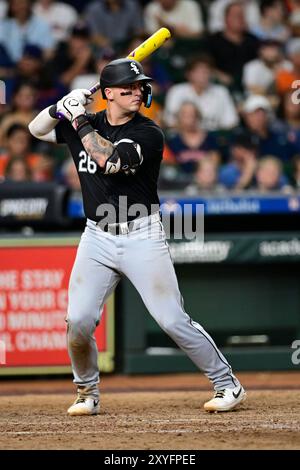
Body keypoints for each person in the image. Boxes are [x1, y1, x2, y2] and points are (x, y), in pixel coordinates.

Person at [28, 58, 246, 416]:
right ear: (108, 94)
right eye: (127, 88)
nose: (137, 92)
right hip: (96, 235)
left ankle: (227, 383)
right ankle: (87, 391)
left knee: (171, 320)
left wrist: (77, 118)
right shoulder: (90, 121)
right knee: (78, 320)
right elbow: (36, 130)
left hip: (141, 233)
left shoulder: (149, 132)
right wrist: (59, 106)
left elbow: (109, 160)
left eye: (139, 86)